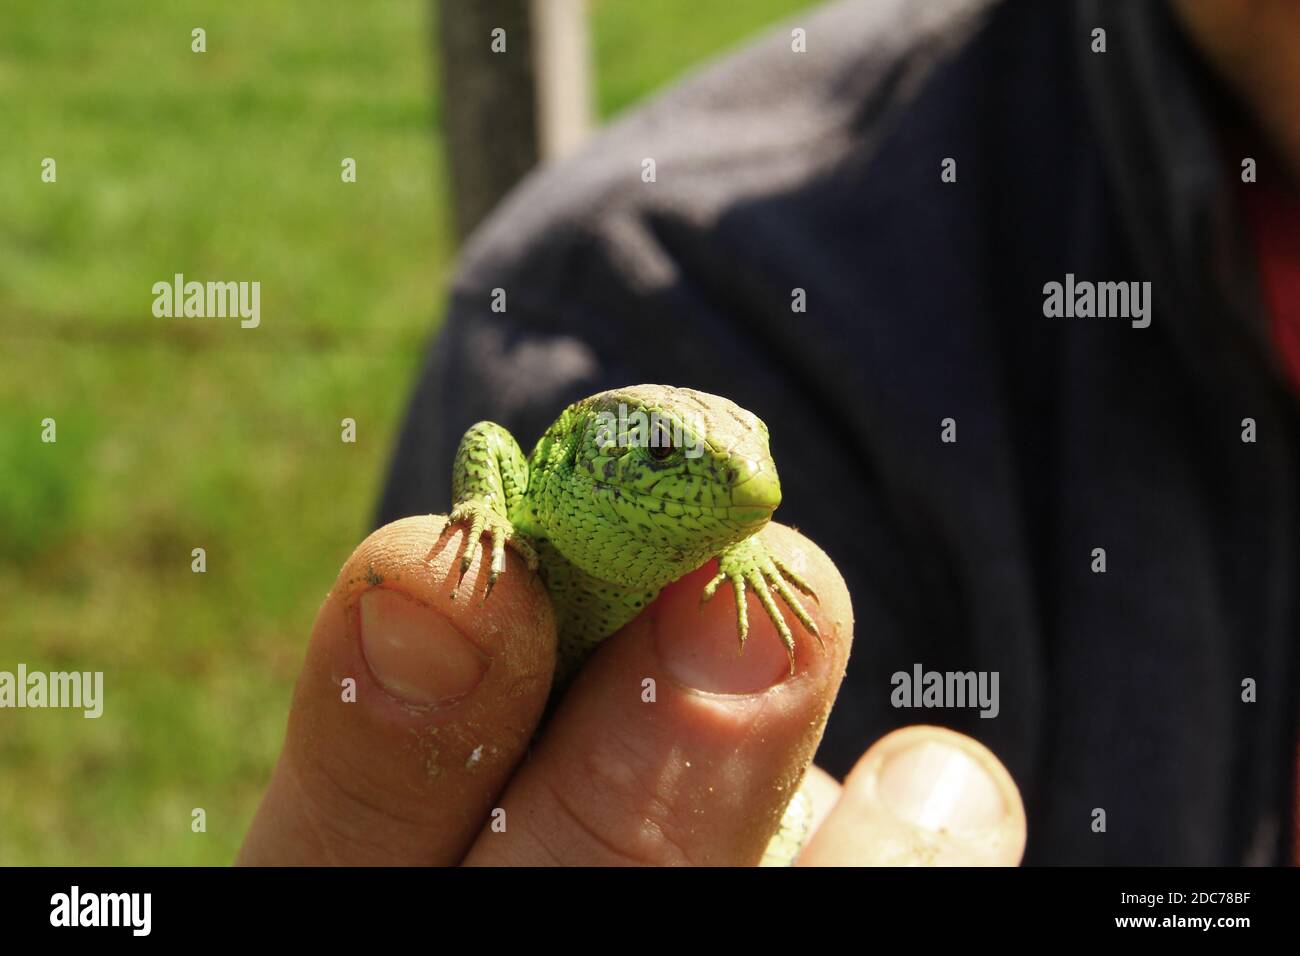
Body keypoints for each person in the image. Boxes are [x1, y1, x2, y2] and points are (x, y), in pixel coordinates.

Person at [240, 0, 1298, 865]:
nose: (752, 480)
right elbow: (493, 454)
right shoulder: (636, 309)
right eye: (670, 460)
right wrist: (481, 510)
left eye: (752, 456)